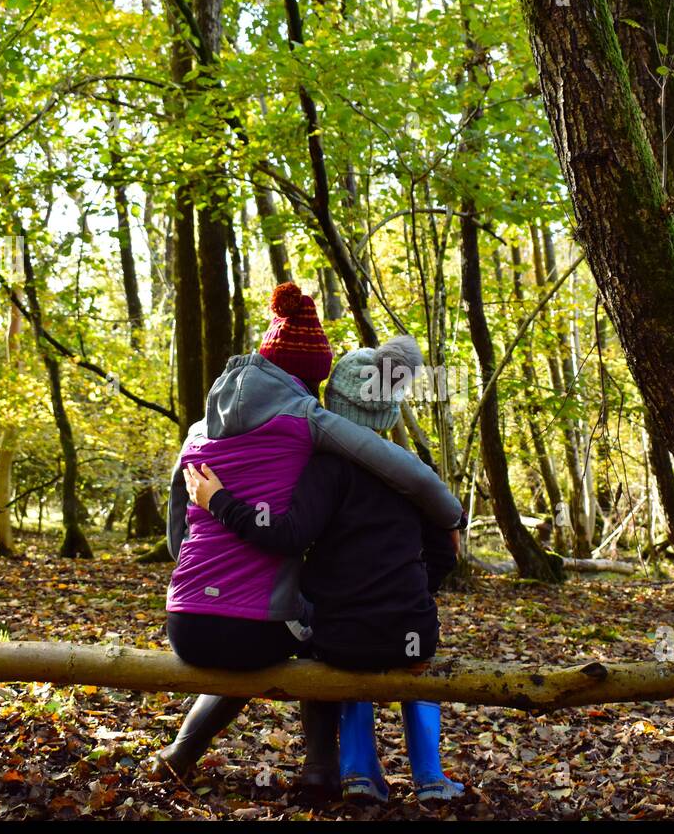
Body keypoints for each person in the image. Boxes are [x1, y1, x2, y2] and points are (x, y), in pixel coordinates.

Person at [157, 285, 463, 800]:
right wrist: (448, 521)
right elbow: (398, 476)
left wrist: (215, 514)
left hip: (183, 622)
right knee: (310, 640)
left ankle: (183, 753)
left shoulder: (196, 433)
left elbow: (175, 540)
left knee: (307, 634)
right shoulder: (305, 424)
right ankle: (330, 770)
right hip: (301, 629)